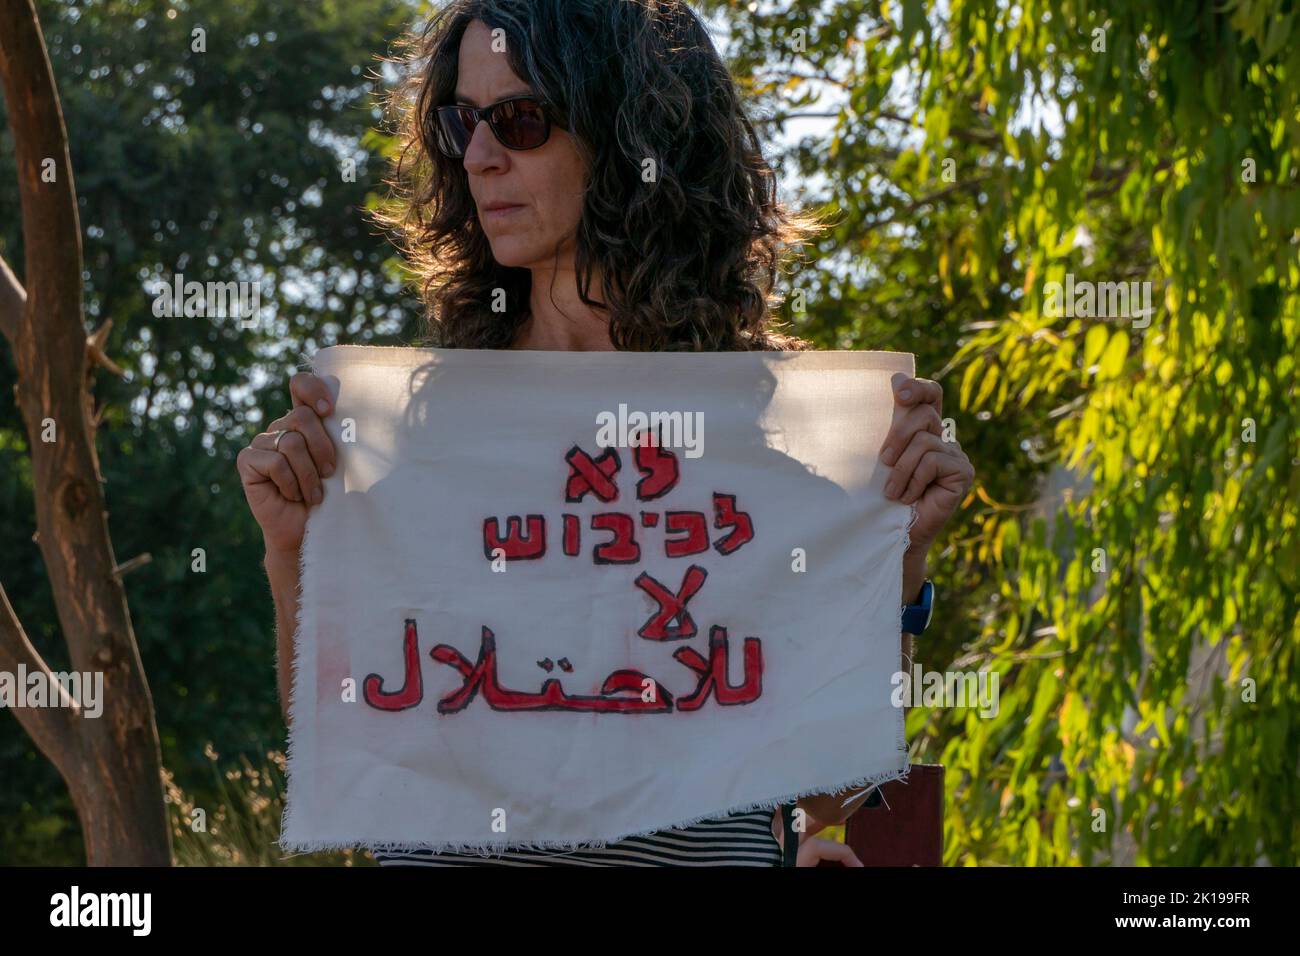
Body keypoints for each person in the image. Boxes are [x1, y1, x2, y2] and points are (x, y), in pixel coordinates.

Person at [236, 0, 974, 866]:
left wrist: (900, 560)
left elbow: (828, 792)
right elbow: (352, 735)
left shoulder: (766, 458)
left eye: (520, 119)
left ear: (634, 140)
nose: (479, 156)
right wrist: (290, 552)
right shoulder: (426, 446)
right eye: (460, 123)